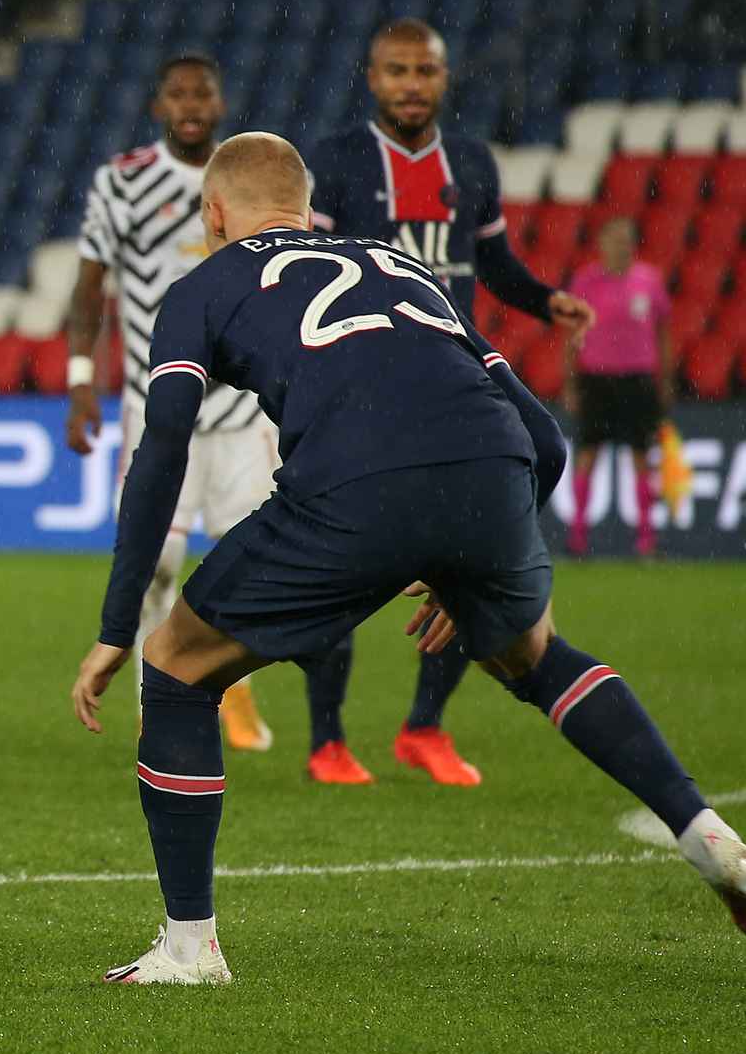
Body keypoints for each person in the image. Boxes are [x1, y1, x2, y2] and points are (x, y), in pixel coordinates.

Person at [69, 132, 743, 985]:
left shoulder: (201, 284)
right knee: (532, 654)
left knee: (174, 663)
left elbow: (162, 446)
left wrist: (116, 625)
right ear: (305, 208)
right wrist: (471, 557)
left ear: (212, 213)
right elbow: (542, 436)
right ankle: (704, 832)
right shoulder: (399, 264)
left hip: (352, 481)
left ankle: (188, 947)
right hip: (490, 463)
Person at [301, 18, 597, 786]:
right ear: (372, 78)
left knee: (485, 540)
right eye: (396, 70)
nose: (410, 84)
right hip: (362, 385)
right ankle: (326, 739)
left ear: (442, 78)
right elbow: (307, 269)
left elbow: (491, 262)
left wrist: (545, 300)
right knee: (337, 564)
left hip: (457, 377)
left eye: (423, 71)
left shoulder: (469, 162)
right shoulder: (334, 161)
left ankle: (423, 727)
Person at [65, 53, 289, 754]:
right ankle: (154, 705)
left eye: (202, 93)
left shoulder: (252, 178)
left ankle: (228, 684)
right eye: (178, 93)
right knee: (155, 566)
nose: (191, 104)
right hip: (158, 407)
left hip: (243, 412)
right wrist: (79, 379)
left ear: (220, 103)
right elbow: (89, 286)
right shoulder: (123, 181)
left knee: (256, 561)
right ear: (159, 105)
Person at [563, 216, 676, 557]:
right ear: (601, 244)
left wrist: (665, 379)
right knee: (588, 453)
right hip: (596, 379)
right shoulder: (585, 281)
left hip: (637, 380)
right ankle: (577, 537)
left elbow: (663, 332)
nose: (620, 247)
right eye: (614, 240)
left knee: (642, 456)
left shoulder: (649, 281)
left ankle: (646, 539)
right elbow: (572, 335)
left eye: (626, 240)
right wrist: (570, 383)